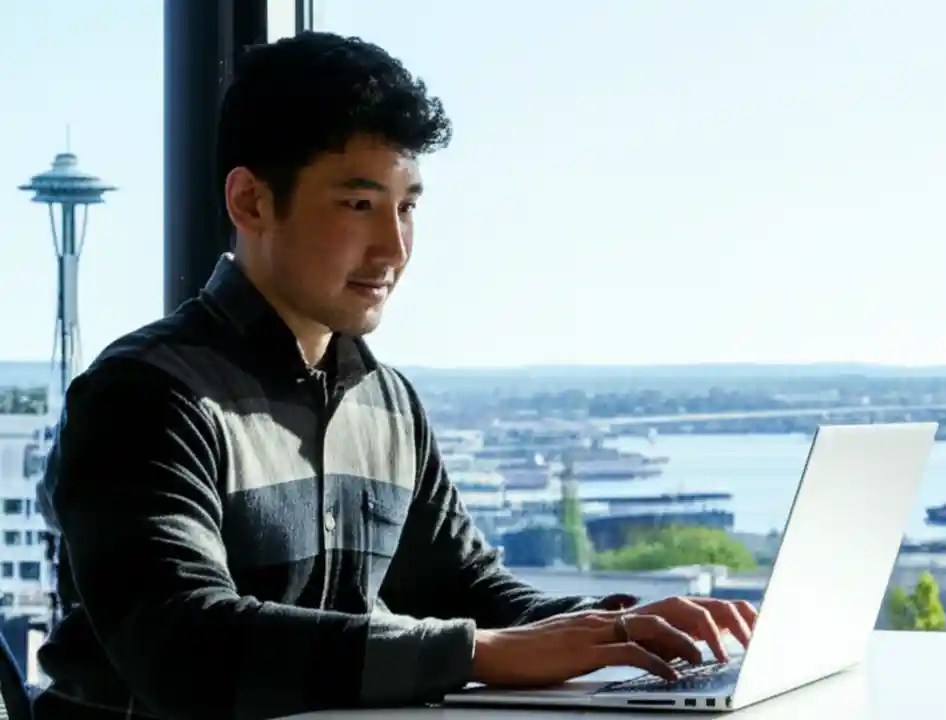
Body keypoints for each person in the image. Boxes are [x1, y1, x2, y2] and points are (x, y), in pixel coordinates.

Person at [31, 31, 756, 720]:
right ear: (251, 201)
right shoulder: (145, 396)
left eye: (407, 207)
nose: (394, 247)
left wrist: (627, 629)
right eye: (359, 204)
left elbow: (466, 588)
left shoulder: (386, 403)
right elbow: (186, 646)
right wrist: (477, 652)